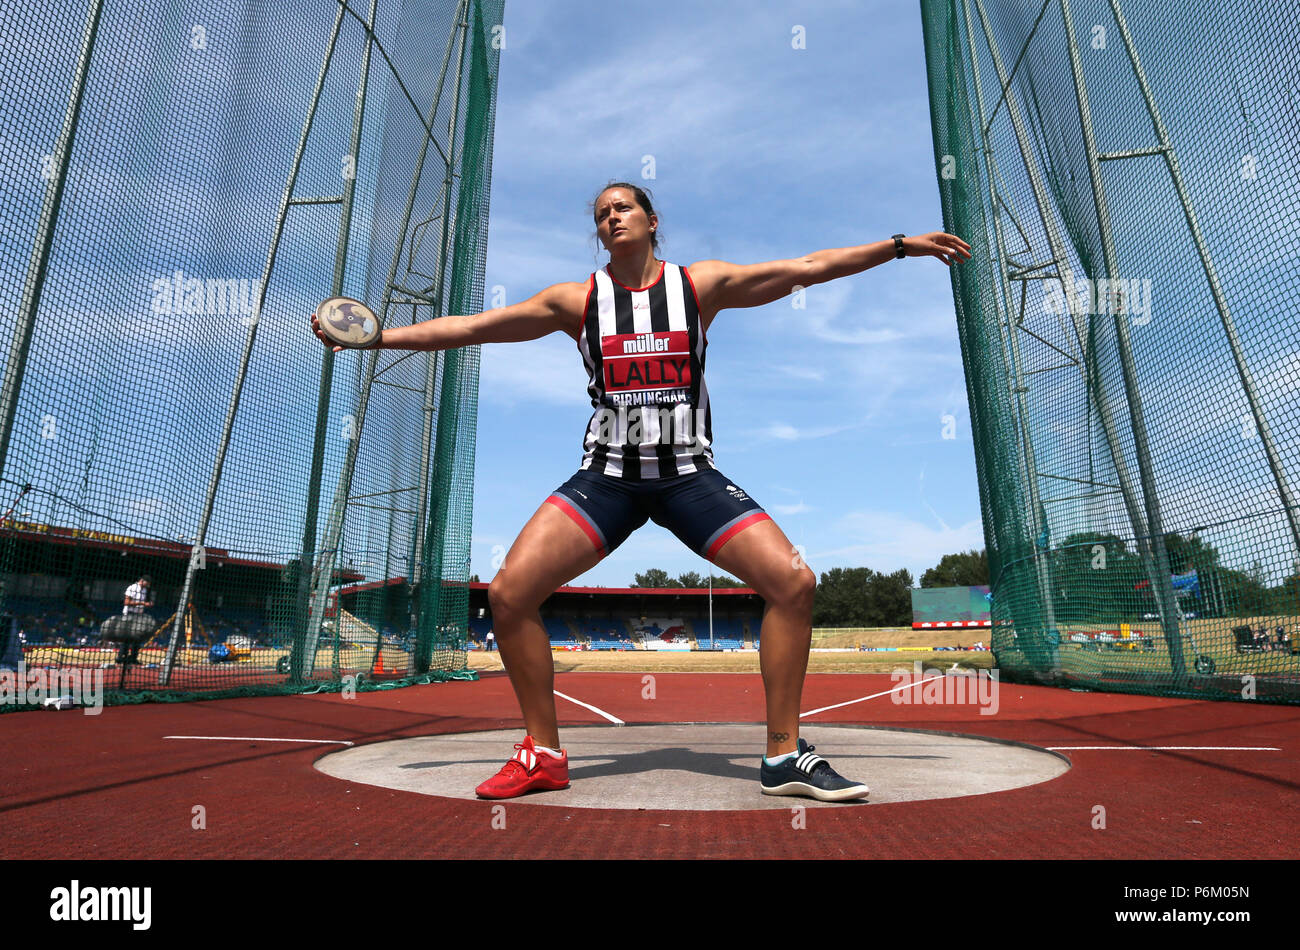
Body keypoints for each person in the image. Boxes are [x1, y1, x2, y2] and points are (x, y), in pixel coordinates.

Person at [312, 181, 970, 801]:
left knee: (794, 583)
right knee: (510, 594)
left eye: (624, 206)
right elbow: (478, 327)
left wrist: (899, 247)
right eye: (601, 213)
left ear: (653, 222)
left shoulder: (700, 285)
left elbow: (805, 267)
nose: (612, 217)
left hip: (688, 476)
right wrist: (379, 338)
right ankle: (543, 754)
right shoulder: (576, 301)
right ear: (599, 234)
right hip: (609, 481)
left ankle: (781, 755)